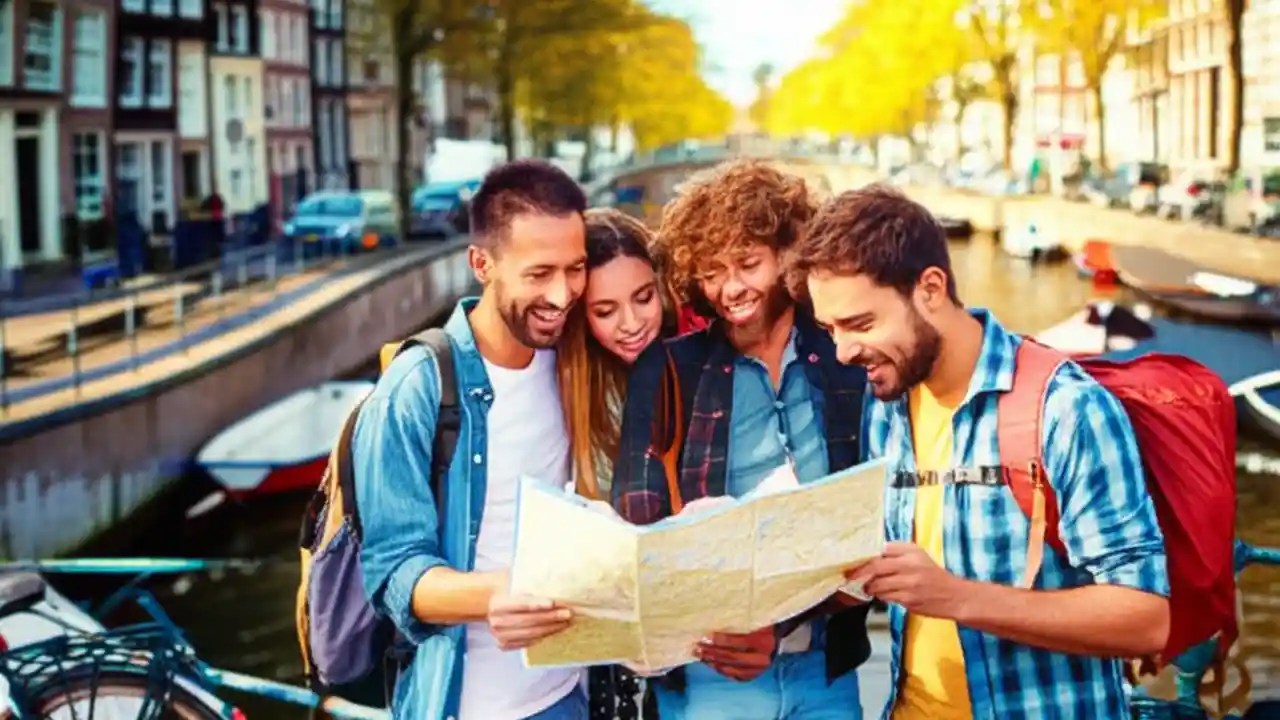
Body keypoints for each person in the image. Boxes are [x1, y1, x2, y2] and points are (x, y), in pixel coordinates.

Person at [786, 183, 1171, 719]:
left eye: (861, 324)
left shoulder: (1066, 409)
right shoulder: (889, 402)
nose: (844, 350)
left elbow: (1146, 618)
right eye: (831, 329)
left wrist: (956, 596)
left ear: (931, 289)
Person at [610, 159, 873, 720]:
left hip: (827, 668)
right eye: (711, 272)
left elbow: (878, 510)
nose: (730, 289)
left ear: (789, 254)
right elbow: (642, 530)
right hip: (713, 676)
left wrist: (784, 624)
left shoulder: (844, 361)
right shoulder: (670, 369)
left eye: (748, 264)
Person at [352, 158, 591, 720]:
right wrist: (495, 597)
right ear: (481, 264)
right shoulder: (416, 390)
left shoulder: (575, 363)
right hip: (468, 705)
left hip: (570, 696)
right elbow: (393, 575)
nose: (563, 294)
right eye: (539, 274)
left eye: (575, 269)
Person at [558, 207, 680, 720]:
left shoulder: (692, 362)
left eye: (644, 298)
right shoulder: (570, 386)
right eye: (605, 311)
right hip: (606, 659)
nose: (631, 325)